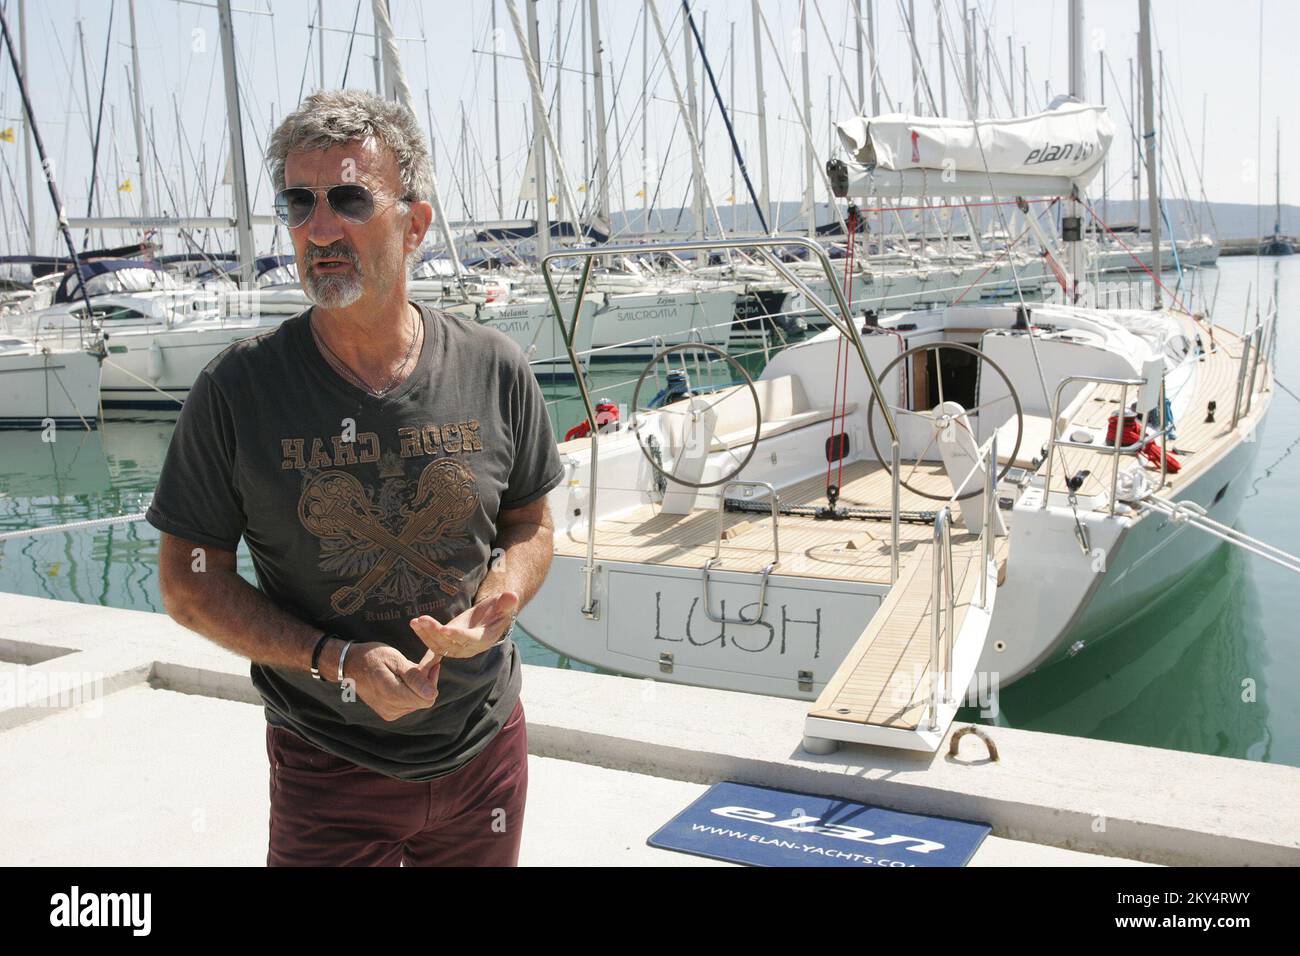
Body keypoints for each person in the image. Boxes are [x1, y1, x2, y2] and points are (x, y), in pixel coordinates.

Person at [147, 89, 564, 866]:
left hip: (486, 754)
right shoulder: (238, 392)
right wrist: (334, 660)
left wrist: (502, 595)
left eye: (347, 197)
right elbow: (188, 582)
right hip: (326, 766)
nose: (320, 226)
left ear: (415, 224)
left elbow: (531, 524)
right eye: (298, 203)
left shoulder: (494, 367)